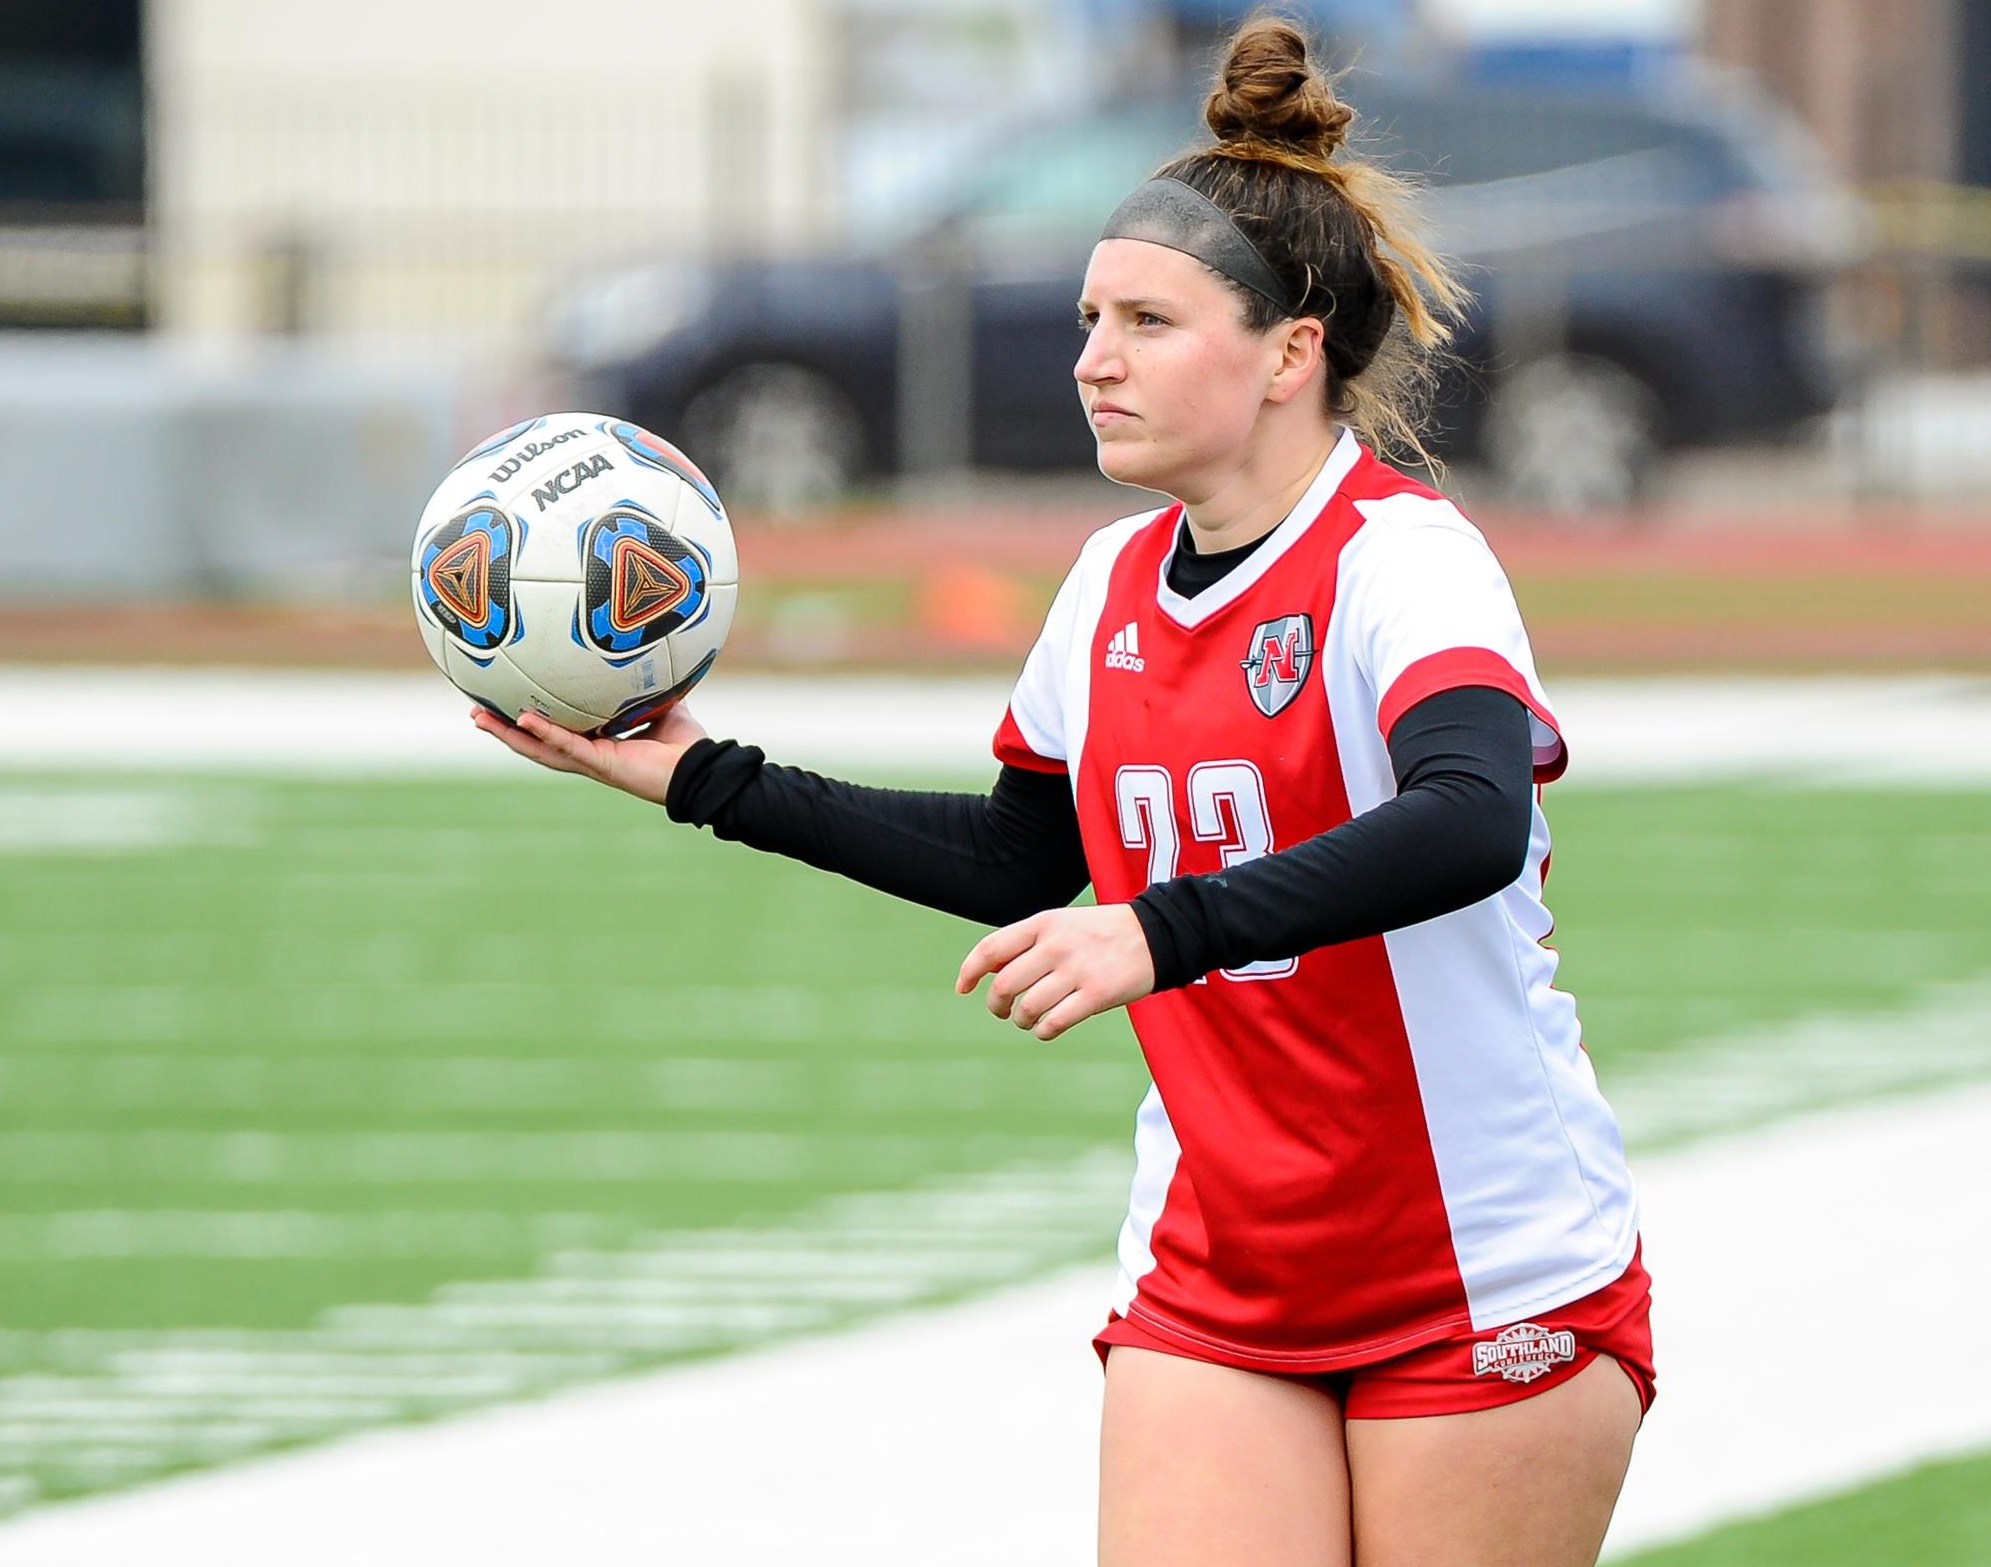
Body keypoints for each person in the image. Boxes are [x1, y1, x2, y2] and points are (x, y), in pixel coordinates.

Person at [474, 12, 1650, 1564]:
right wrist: (706, 776)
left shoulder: (1404, 561)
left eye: (1150, 322)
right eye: (1093, 317)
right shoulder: (1105, 588)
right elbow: (1027, 857)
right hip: (1219, 1273)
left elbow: (1467, 819)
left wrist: (1157, 931)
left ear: (1294, 350)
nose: (1094, 357)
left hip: (1484, 1268)